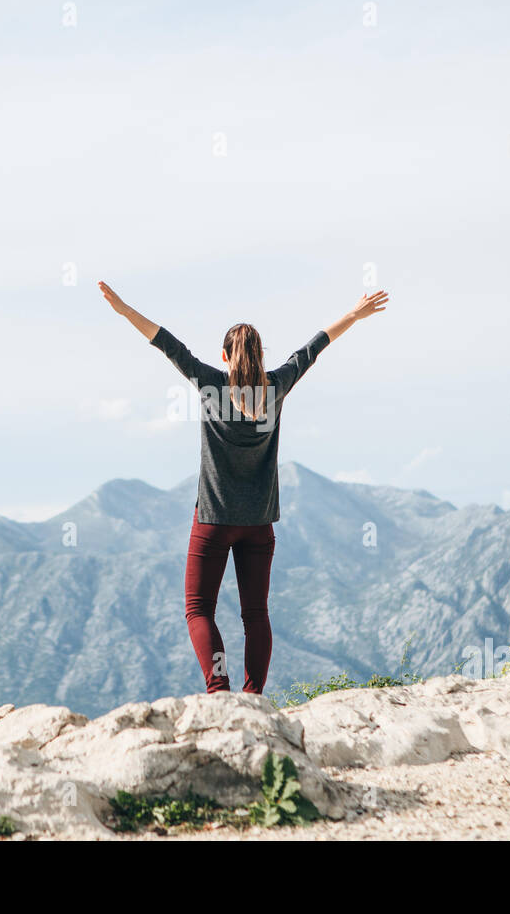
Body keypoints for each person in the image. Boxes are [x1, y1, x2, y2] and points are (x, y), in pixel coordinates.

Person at [99, 280, 389, 694]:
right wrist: (354, 315)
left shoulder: (209, 383)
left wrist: (126, 310)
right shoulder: (277, 386)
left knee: (199, 609)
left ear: (224, 356)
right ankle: (253, 695)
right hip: (258, 523)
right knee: (256, 613)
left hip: (213, 520)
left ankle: (219, 687)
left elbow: (165, 343)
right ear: (260, 357)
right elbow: (314, 347)